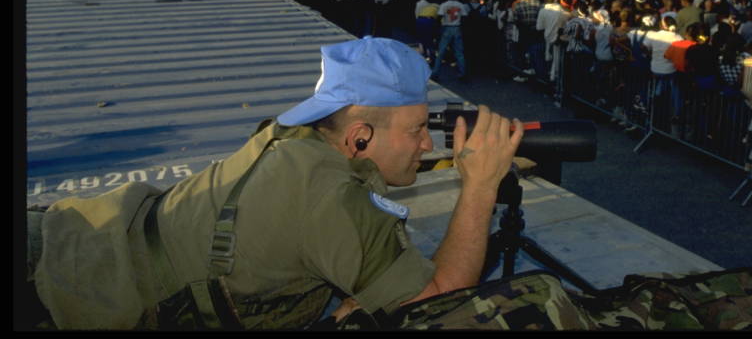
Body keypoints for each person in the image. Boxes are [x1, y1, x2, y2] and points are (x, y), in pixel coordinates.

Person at [27, 37, 525, 329]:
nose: (425, 146)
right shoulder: (330, 199)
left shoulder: (292, 134)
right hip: (56, 292)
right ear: (359, 137)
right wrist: (479, 186)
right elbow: (438, 297)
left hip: (73, 237)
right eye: (417, 131)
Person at [431, 0, 469, 81]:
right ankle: (462, 73)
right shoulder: (460, 5)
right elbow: (464, 18)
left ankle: (435, 73)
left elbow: (439, 17)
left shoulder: (444, 5)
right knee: (459, 52)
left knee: (441, 52)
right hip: (457, 27)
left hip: (446, 28)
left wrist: (438, 29)